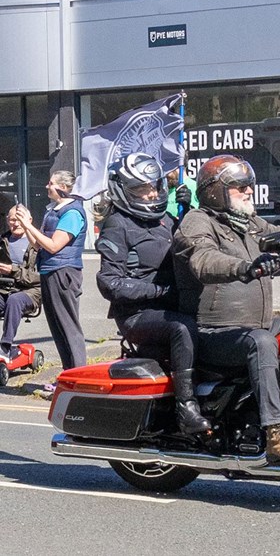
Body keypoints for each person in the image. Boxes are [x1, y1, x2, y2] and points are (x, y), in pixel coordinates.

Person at [173, 154, 280, 462]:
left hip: (255, 324)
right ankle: (276, 433)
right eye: (240, 187)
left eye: (249, 185)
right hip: (213, 332)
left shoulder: (250, 225)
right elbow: (203, 260)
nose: (249, 191)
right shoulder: (197, 222)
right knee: (262, 342)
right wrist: (245, 267)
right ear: (215, 191)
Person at [95, 153, 210, 435]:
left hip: (172, 302)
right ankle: (187, 408)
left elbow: (186, 248)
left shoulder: (165, 219)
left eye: (154, 187)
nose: (150, 194)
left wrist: (190, 209)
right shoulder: (117, 224)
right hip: (136, 315)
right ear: (123, 190)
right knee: (183, 329)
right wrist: (158, 291)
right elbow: (109, 283)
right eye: (141, 189)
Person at [15, 170, 87, 372]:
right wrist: (26, 225)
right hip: (48, 271)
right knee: (57, 327)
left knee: (68, 326)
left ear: (63, 187)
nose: (47, 186)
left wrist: (30, 226)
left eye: (51, 183)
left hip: (63, 273)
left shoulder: (72, 212)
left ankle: (79, 374)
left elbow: (54, 246)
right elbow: (37, 246)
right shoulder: (54, 210)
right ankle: (68, 374)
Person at [0, 205, 41, 361]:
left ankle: (5, 347)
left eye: (19, 220)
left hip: (30, 291)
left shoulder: (37, 244)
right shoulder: (3, 241)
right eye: (12, 220)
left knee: (14, 300)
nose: (15, 224)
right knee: (9, 298)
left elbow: (38, 277)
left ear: (28, 220)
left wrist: (13, 271)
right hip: (4, 288)